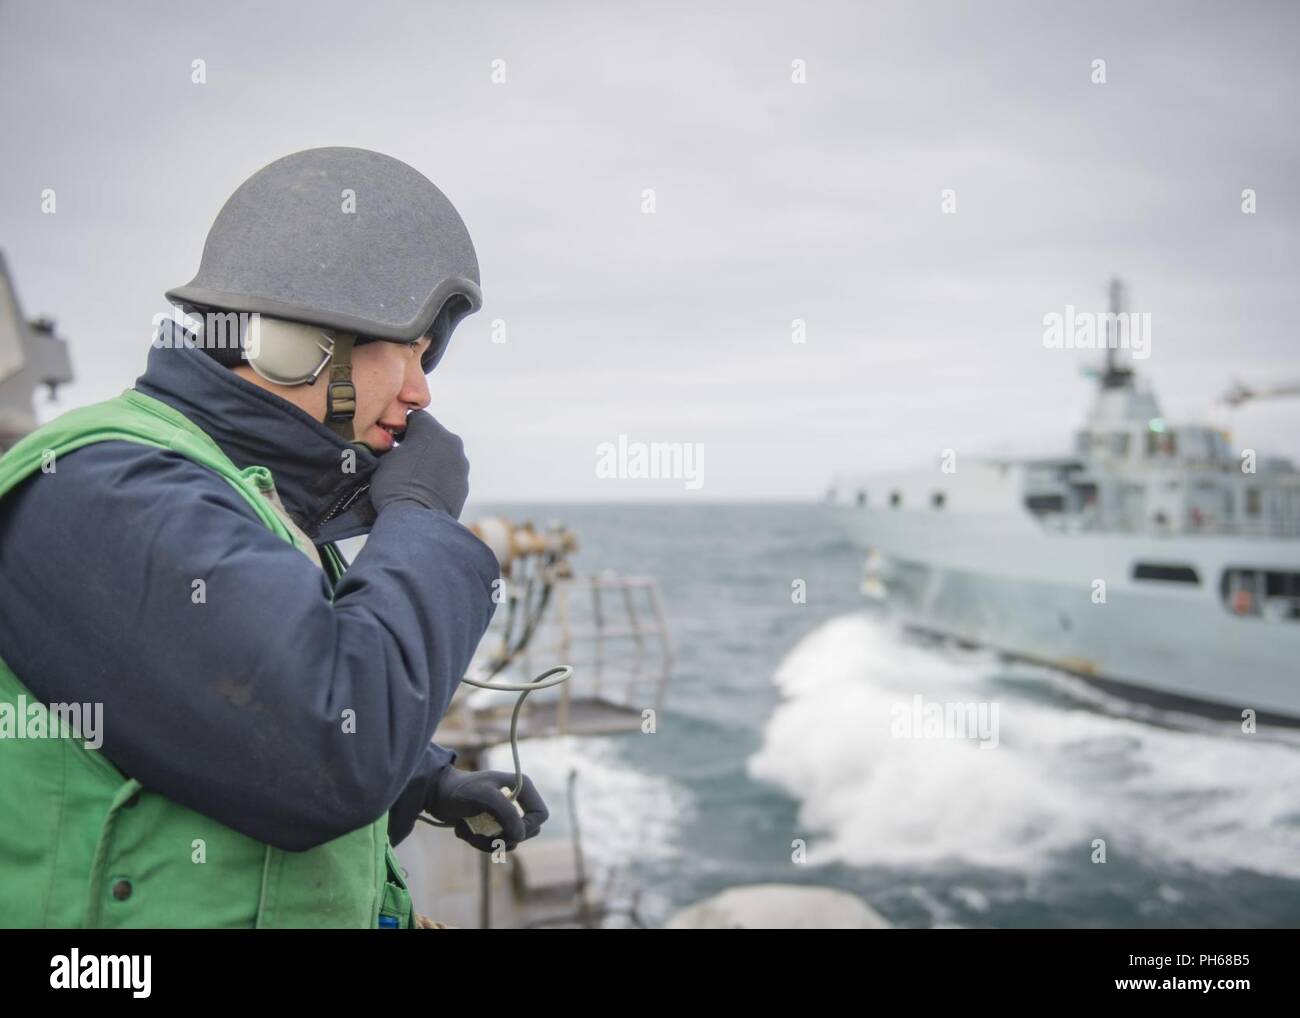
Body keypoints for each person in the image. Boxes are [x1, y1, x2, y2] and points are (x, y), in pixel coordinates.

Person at [0, 146, 547, 929]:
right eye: (412, 354)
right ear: (297, 344)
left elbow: (211, 703)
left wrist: (419, 783)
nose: (423, 395)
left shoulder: (242, 498)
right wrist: (420, 518)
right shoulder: (108, 491)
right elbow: (322, 752)